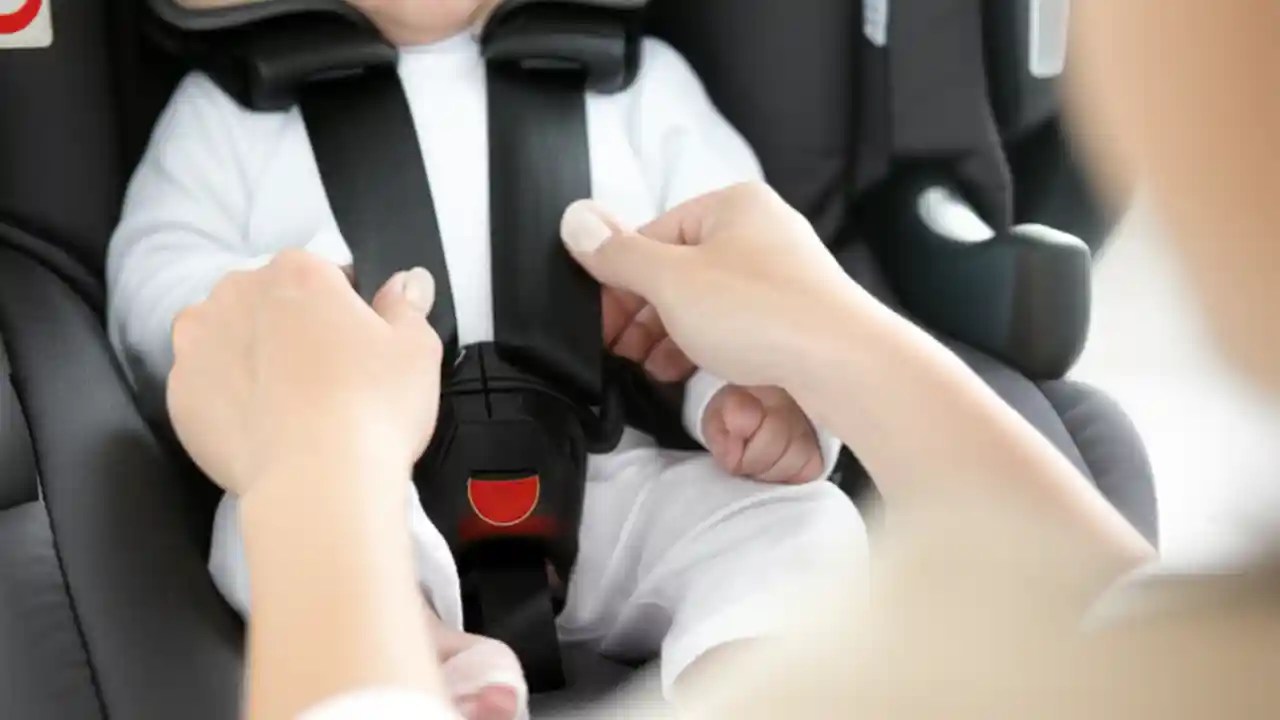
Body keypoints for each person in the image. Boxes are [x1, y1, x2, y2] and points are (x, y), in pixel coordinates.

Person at [111, 1, 859, 716]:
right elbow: (154, 283)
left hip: (612, 468)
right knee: (260, 524)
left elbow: (741, 266)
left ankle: (753, 682)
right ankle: (418, 653)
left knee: (800, 523)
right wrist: (291, 307)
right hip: (367, 493)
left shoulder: (638, 85)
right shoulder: (232, 111)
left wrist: (743, 389)